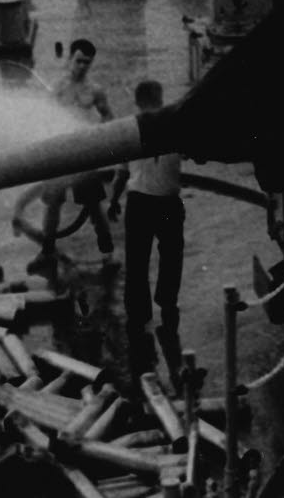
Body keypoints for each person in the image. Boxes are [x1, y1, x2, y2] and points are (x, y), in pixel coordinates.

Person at [108, 80, 185, 383]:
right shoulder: (176, 126)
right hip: (167, 201)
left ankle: (138, 316)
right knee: (170, 256)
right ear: (160, 98)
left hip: (139, 202)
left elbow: (121, 173)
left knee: (137, 260)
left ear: (138, 103)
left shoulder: (131, 130)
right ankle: (167, 303)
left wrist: (114, 200)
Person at [26, 39, 117, 276]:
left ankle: (108, 256)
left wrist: (105, 149)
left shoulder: (95, 90)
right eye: (78, 61)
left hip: (85, 157)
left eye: (87, 62)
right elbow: (44, 120)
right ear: (69, 60)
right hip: (61, 155)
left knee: (95, 207)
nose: (82, 66)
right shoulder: (57, 88)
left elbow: (109, 118)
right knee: (53, 206)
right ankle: (46, 253)